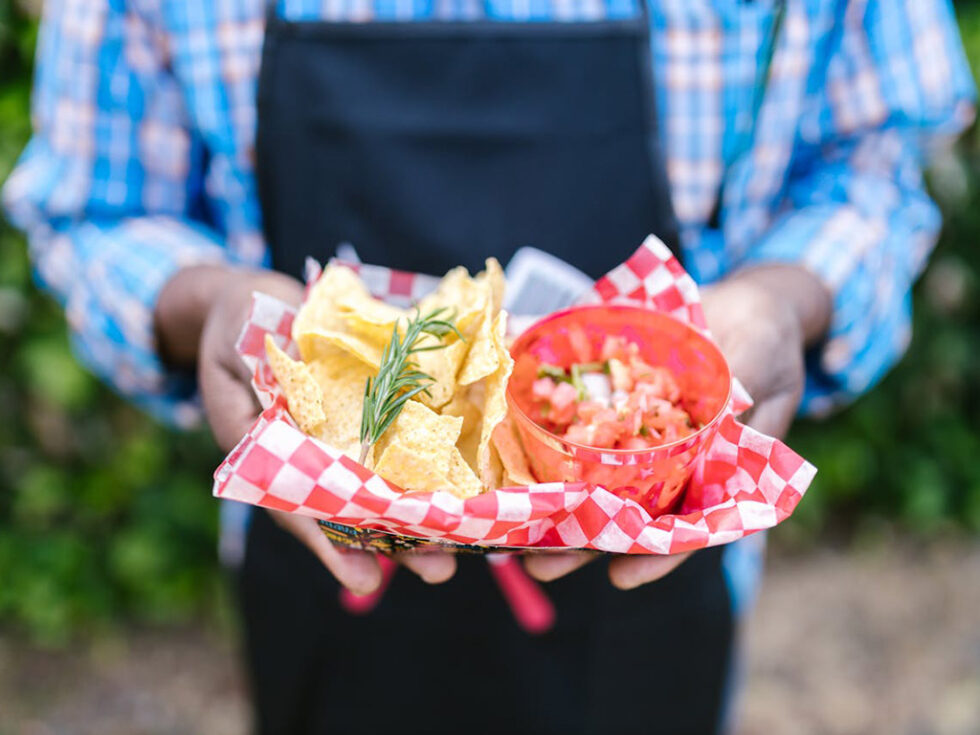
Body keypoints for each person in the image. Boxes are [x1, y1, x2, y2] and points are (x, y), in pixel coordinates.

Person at [3, 0, 974, 733]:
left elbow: (874, 157)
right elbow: (98, 203)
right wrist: (207, 303)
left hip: (657, 565)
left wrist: (783, 298)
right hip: (321, 554)